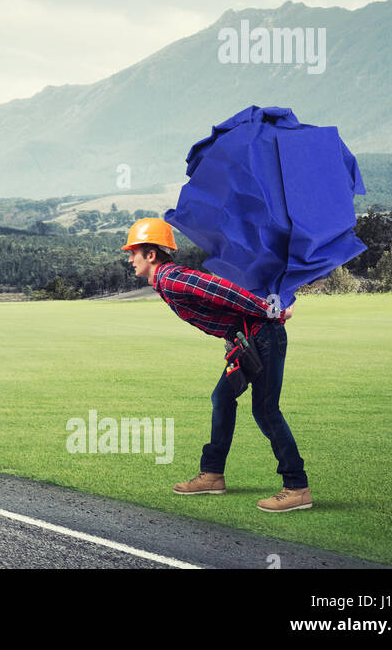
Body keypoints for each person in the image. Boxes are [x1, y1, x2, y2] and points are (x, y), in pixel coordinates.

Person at [122, 218, 311, 513]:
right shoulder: (165, 281)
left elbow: (222, 290)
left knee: (265, 410)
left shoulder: (172, 278)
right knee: (221, 398)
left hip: (263, 335)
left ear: (151, 255)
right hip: (247, 339)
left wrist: (271, 311)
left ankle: (297, 487)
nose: (129, 258)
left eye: (133, 251)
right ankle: (212, 475)